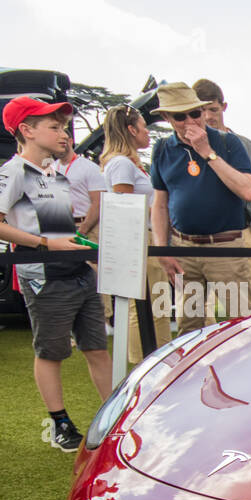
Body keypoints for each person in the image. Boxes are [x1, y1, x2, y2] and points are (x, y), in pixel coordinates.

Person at [0, 97, 111, 451]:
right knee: (51, 352)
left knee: (97, 347)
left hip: (77, 271)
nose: (64, 134)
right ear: (27, 131)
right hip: (44, 276)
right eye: (54, 126)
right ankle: (61, 423)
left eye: (63, 127)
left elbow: (59, 230)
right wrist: (45, 245)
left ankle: (114, 418)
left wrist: (82, 247)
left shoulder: (55, 173)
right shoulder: (12, 172)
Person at [150, 83, 251, 330]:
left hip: (225, 246)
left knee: (243, 325)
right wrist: (161, 249)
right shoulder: (163, 149)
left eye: (195, 113)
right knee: (189, 327)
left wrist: (207, 152)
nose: (190, 121)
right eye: (180, 116)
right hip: (183, 248)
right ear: (167, 118)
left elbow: (248, 190)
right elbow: (160, 204)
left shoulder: (228, 142)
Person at [100, 104, 172, 363]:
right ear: (131, 130)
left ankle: (158, 357)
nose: (147, 133)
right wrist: (163, 210)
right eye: (143, 127)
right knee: (143, 305)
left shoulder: (129, 163)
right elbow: (126, 207)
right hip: (141, 240)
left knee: (156, 305)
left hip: (147, 238)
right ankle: (145, 361)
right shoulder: (120, 164)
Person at [193, 78, 251, 314]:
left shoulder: (245, 145)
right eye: (201, 110)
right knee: (198, 311)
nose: (208, 116)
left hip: (242, 230)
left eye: (213, 109)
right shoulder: (185, 147)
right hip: (199, 236)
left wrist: (242, 192)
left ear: (223, 107)